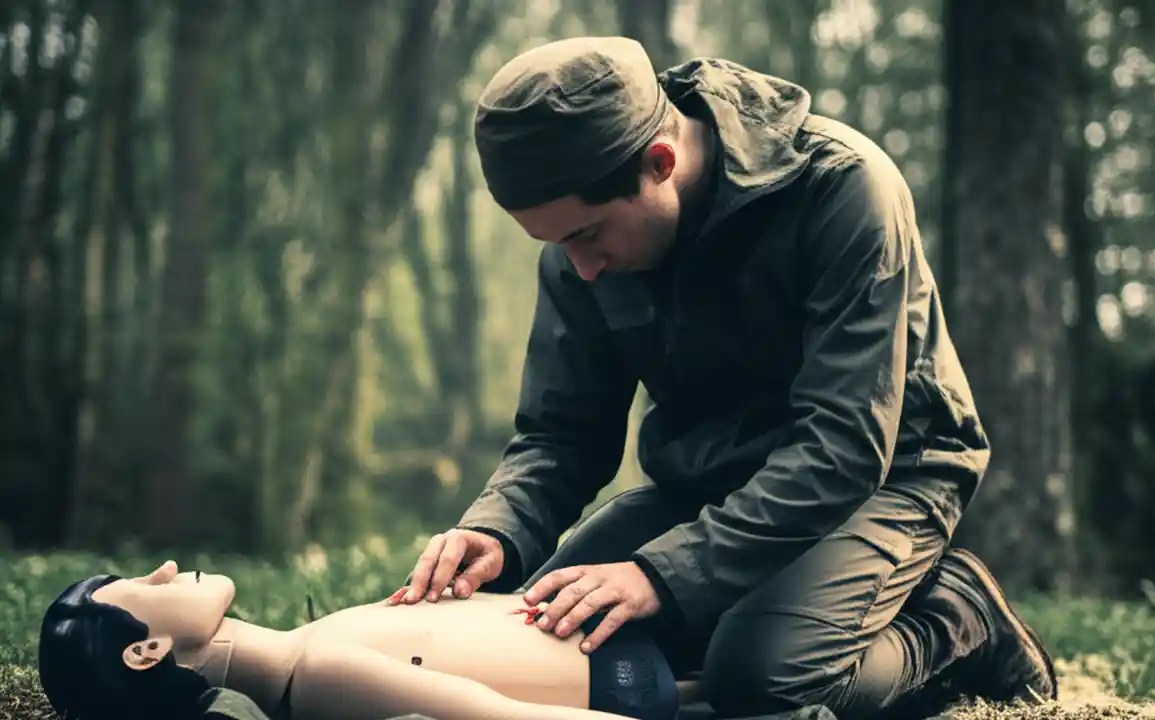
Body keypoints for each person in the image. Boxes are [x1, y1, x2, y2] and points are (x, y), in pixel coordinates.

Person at [395, 36, 1058, 718]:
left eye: (588, 236)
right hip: (716, 481)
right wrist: (498, 531)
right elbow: (564, 434)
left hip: (889, 473)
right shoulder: (581, 248)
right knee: (540, 633)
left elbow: (844, 446)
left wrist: (663, 574)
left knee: (763, 678)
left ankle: (957, 619)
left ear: (660, 161)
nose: (581, 268)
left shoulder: (844, 187)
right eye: (558, 244)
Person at [37, 560, 684, 720]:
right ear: (146, 651)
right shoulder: (316, 674)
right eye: (143, 588)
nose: (168, 571)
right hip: (619, 679)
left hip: (610, 637)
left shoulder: (307, 649)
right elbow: (487, 712)